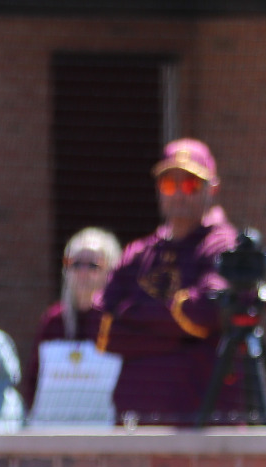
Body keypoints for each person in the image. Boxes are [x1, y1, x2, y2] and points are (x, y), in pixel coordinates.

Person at [94, 138, 238, 423]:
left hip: (204, 425)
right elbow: (100, 327)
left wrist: (133, 316)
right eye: (170, 185)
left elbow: (208, 311)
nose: (179, 195)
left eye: (190, 185)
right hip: (135, 422)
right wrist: (182, 335)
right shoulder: (139, 252)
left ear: (213, 189)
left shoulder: (222, 245)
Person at [28, 227, 120, 409]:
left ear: (111, 271)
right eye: (76, 264)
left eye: (93, 265)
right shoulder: (53, 320)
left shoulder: (118, 320)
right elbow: (34, 380)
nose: (83, 272)